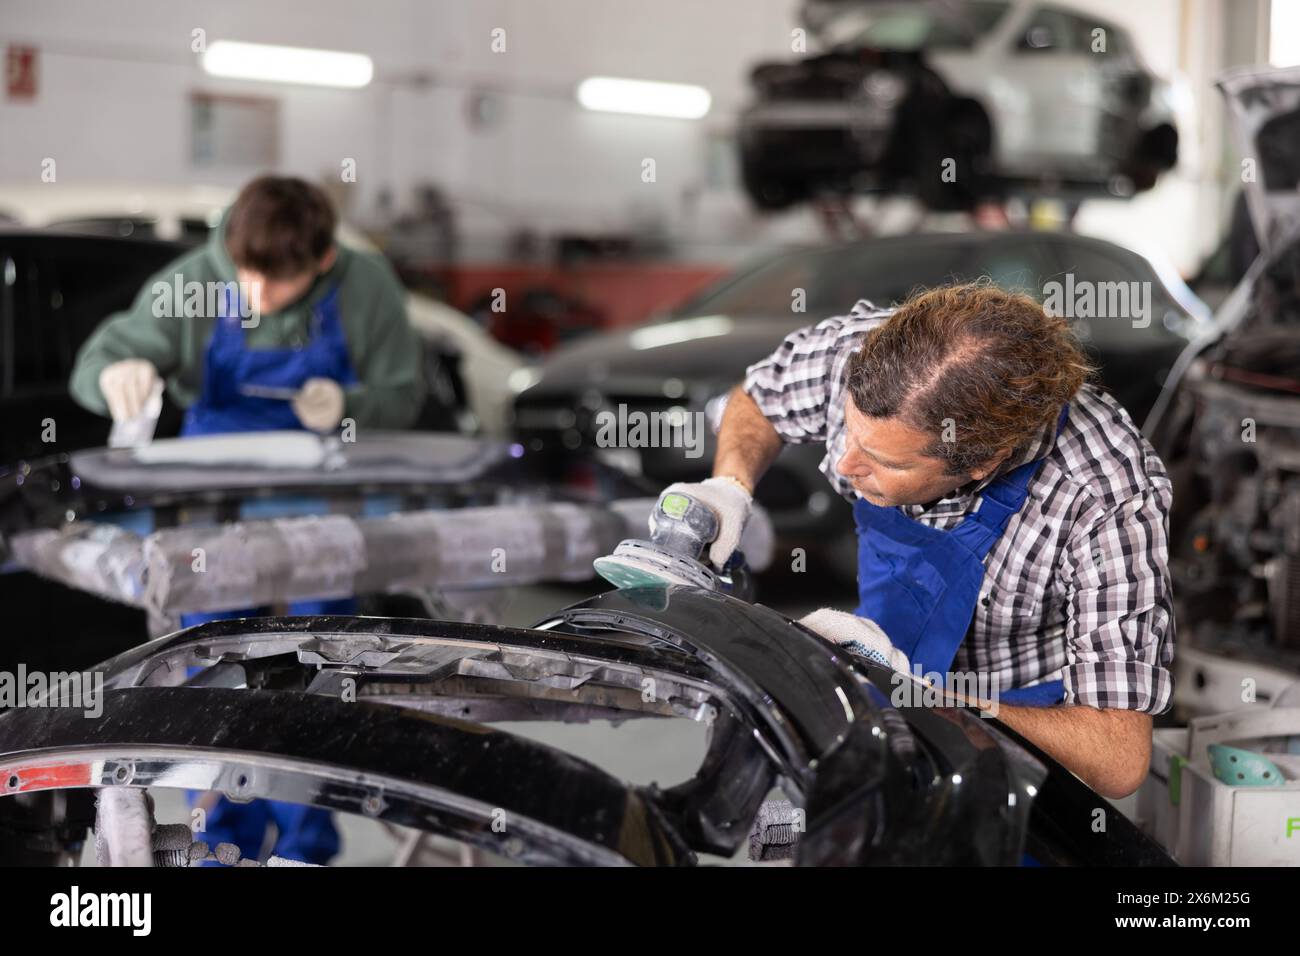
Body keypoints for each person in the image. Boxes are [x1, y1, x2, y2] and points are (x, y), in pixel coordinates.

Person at [664, 283, 1174, 800]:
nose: (845, 464)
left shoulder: (1106, 499)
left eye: (886, 461)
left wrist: (929, 698)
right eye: (850, 431)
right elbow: (757, 400)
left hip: (1018, 727)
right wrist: (729, 486)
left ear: (983, 462)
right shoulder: (857, 353)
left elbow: (1118, 756)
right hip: (882, 681)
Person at [69, 174, 426, 863]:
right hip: (215, 506)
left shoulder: (366, 287)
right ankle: (221, 840)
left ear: (324, 261)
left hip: (320, 505)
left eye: (278, 285)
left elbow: (404, 395)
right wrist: (116, 376)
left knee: (314, 672)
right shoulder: (195, 279)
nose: (256, 298)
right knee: (215, 664)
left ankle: (306, 843)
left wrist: (350, 404)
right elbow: (99, 360)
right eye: (246, 278)